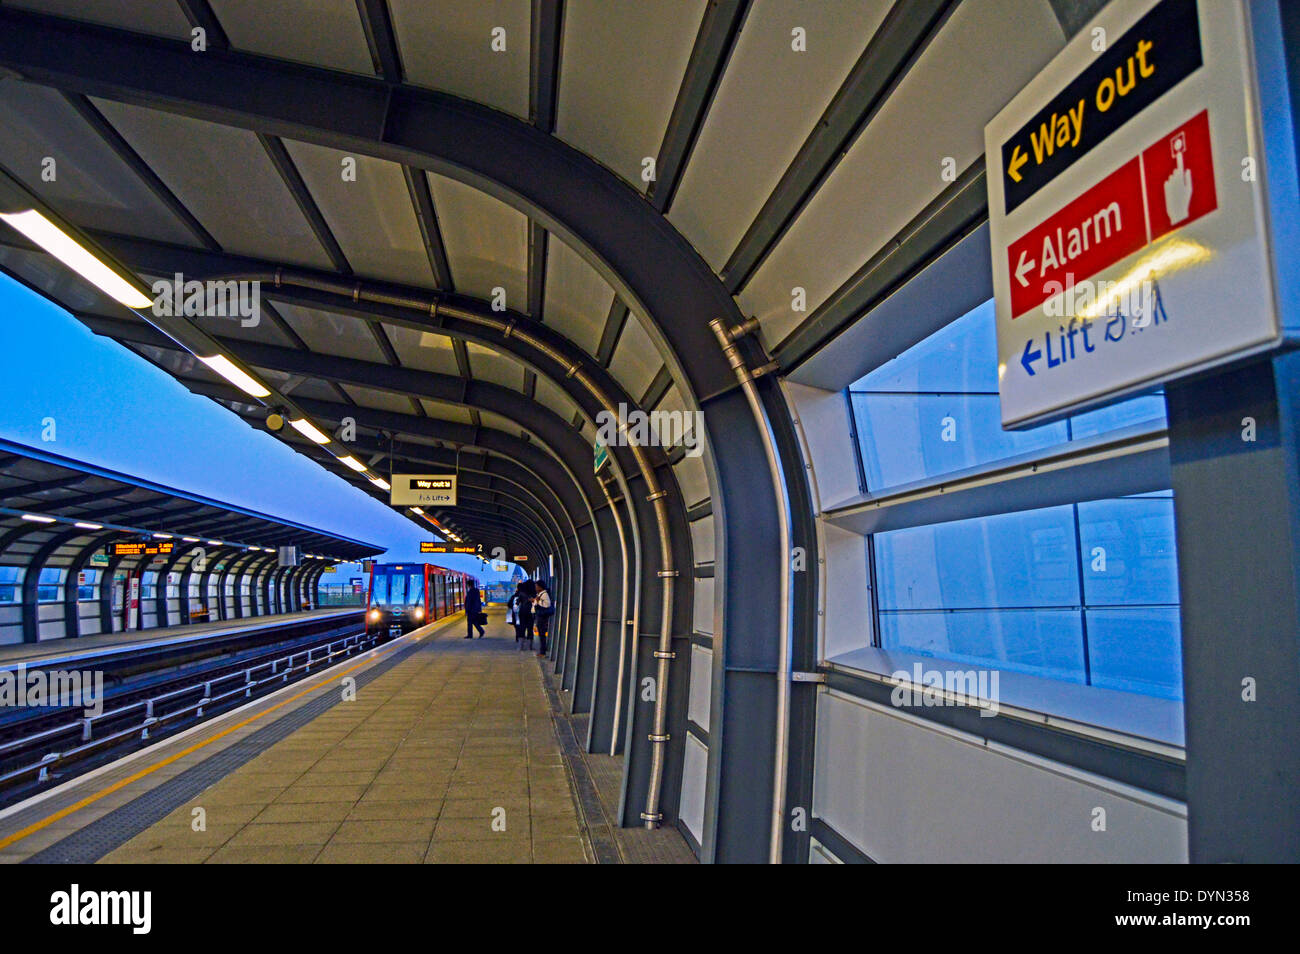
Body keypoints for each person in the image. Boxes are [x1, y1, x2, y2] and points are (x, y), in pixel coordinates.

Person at [511, 581, 535, 650]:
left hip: (522, 612)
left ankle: (520, 646)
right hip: (531, 613)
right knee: (530, 629)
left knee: (522, 628)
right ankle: (530, 646)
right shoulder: (534, 594)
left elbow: (517, 602)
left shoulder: (522, 593)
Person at [533, 580, 554, 657]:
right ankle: (542, 651)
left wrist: (538, 602)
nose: (535, 587)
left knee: (542, 634)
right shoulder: (540, 594)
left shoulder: (544, 594)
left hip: (543, 617)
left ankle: (543, 652)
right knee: (541, 634)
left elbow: (547, 605)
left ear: (540, 587)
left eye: (536, 586)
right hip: (540, 616)